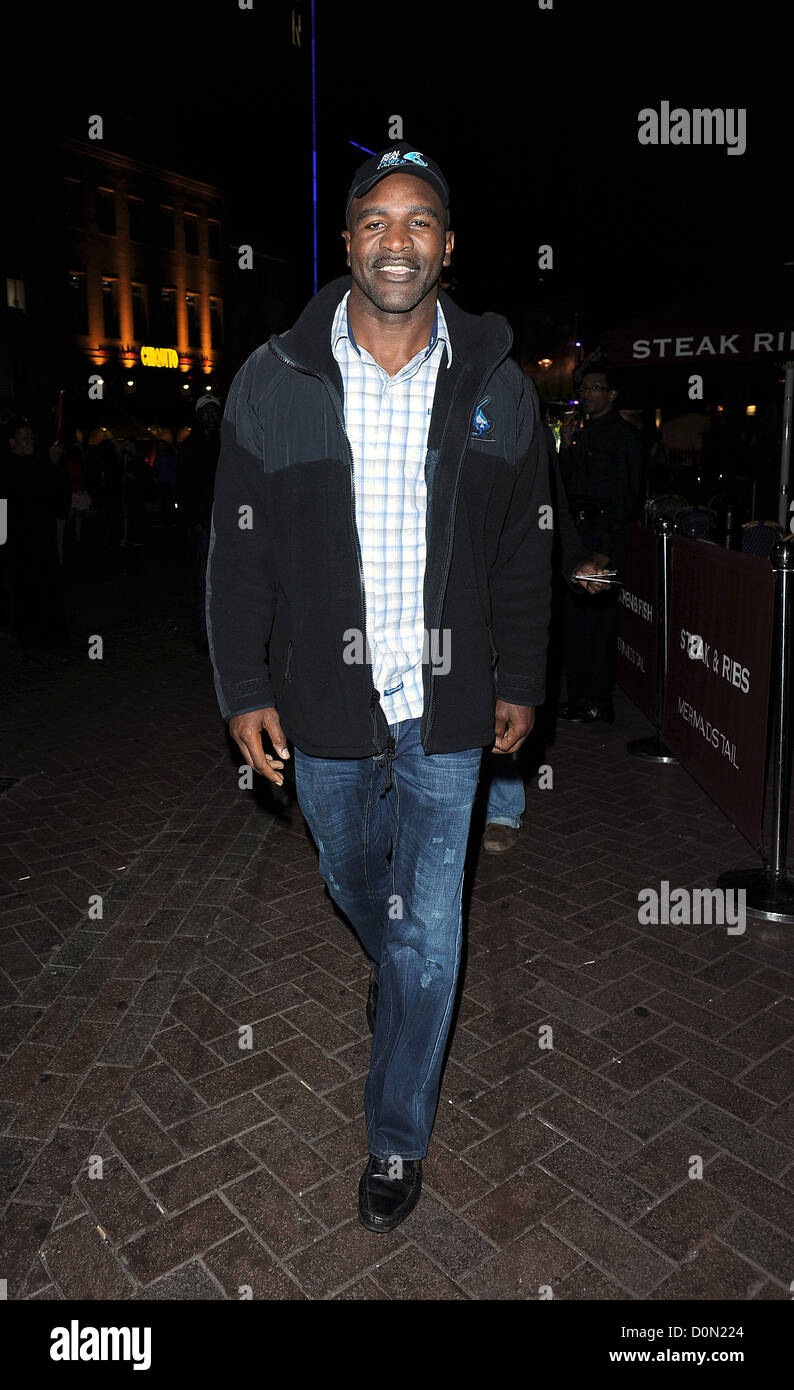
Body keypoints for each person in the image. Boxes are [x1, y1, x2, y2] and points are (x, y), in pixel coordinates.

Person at [206, 141, 553, 1233]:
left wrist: (524, 675)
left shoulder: (498, 386)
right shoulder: (276, 377)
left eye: (417, 223)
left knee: (429, 933)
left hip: (447, 706)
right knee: (358, 882)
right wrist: (242, 682)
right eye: (373, 221)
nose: (394, 241)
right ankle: (394, 968)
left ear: (445, 246)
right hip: (325, 704)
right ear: (347, 241)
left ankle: (395, 1134)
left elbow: (520, 556)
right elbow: (238, 551)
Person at [479, 420, 610, 852]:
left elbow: (548, 508)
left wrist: (574, 561)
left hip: (503, 581)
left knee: (504, 692)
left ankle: (501, 807)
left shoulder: (513, 403)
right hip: (430, 584)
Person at [557, 364, 643, 722]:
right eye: (585, 387)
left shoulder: (625, 437)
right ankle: (578, 697)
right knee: (574, 622)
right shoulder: (581, 432)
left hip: (604, 539)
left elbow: (627, 498)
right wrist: (565, 442)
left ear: (612, 394)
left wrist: (605, 551)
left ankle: (597, 700)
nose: (588, 393)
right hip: (578, 536)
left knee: (599, 624)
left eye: (596, 387)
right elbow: (561, 483)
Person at [4, 416, 70, 649]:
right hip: (20, 544)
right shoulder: (9, 469)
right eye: (25, 438)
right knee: (25, 592)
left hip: (42, 541)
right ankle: (31, 635)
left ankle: (50, 633)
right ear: (12, 443)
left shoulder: (38, 466)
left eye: (32, 438)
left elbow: (57, 499)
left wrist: (54, 466)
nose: (30, 442)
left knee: (47, 588)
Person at [177, 396, 222, 650]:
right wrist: (194, 521)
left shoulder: (226, 443)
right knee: (205, 580)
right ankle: (204, 635)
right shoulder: (190, 447)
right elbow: (184, 488)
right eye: (206, 413)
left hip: (226, 523)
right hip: (203, 523)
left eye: (214, 412)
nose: (211, 417)